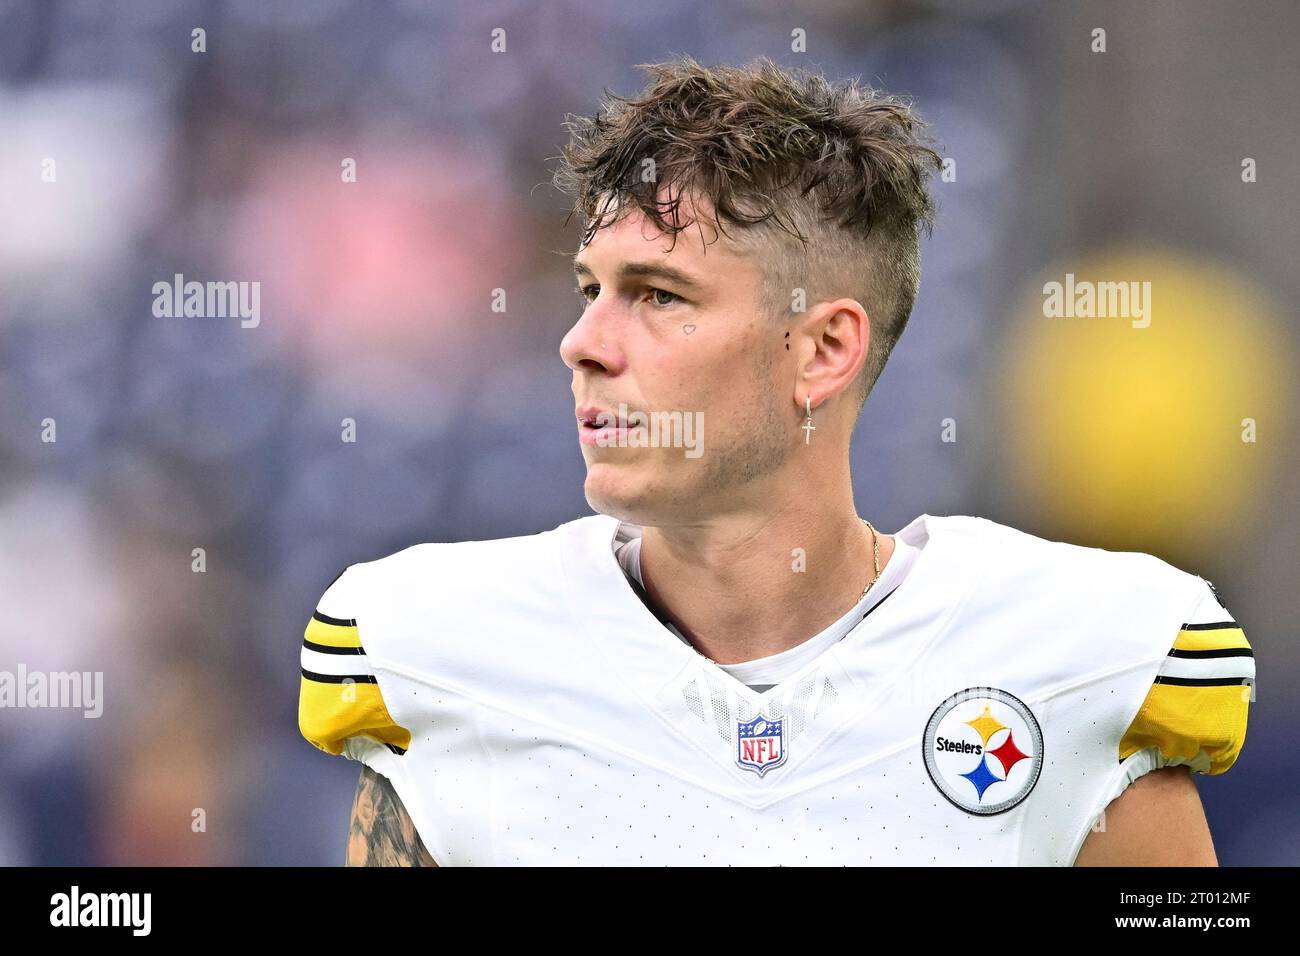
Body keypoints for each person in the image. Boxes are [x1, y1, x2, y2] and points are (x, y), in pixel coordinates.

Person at [298, 55, 1253, 866]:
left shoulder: (1076, 663)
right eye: (591, 288)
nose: (582, 341)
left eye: (660, 295)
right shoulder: (444, 651)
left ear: (824, 350)